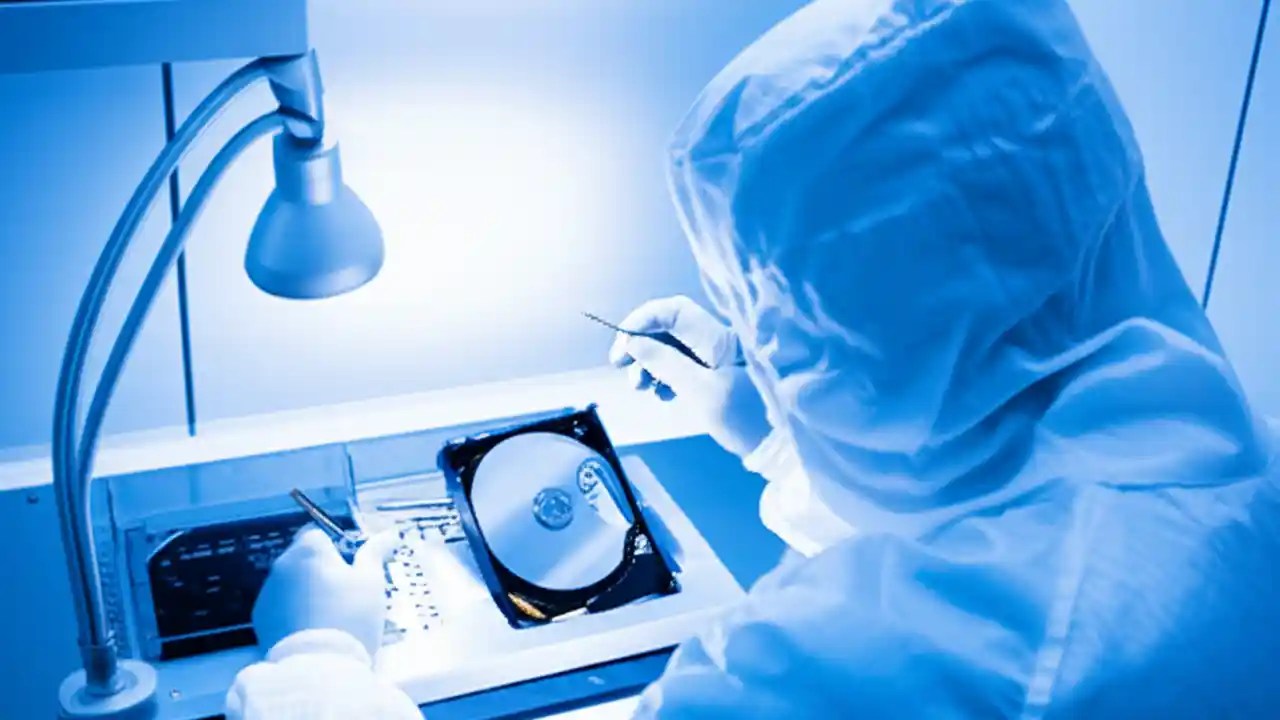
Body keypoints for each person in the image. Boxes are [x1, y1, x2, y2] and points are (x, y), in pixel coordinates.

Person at [230, 0, 1280, 717]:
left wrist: (316, 659)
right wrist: (767, 431)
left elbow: (957, 631)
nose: (770, 349)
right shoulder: (1233, 469)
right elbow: (1016, 517)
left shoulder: (847, 662)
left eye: (772, 318)